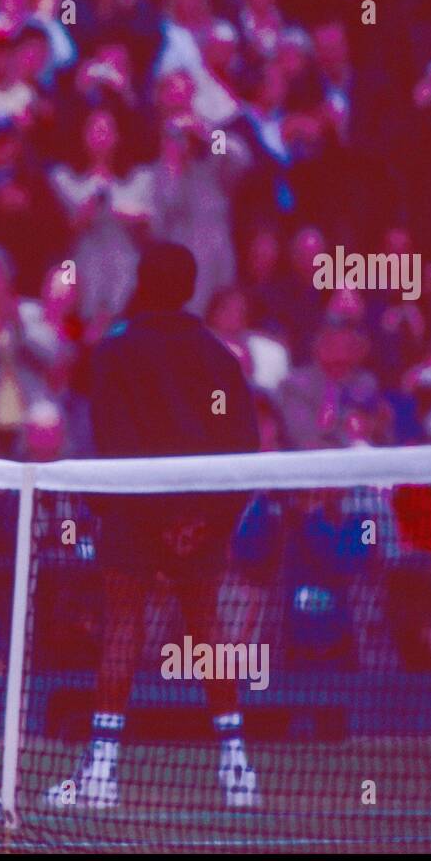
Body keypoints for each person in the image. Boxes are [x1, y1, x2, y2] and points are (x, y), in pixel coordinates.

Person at [45, 241, 264, 810]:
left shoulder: (115, 352)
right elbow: (242, 445)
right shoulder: (219, 356)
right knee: (208, 632)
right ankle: (237, 770)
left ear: (145, 280)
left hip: (135, 512)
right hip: (197, 515)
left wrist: (153, 520)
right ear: (190, 288)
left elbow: (110, 442)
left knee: (123, 626)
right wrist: (204, 522)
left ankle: (101, 775)